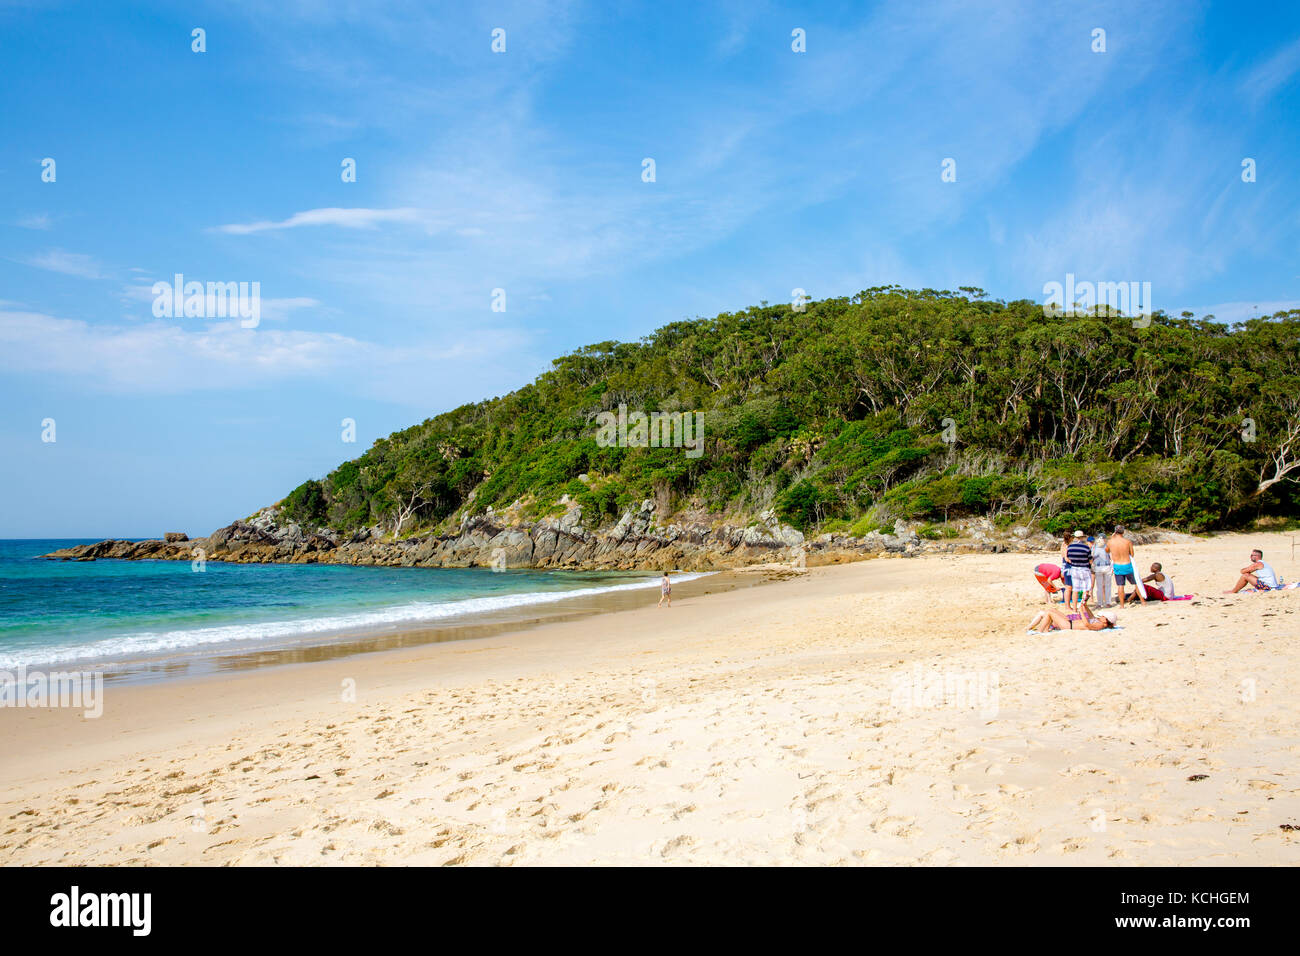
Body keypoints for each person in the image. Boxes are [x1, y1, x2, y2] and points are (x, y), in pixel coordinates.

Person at [1028, 597, 1118, 633]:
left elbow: (1087, 625)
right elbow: (1091, 616)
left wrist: (1081, 612)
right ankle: (1046, 630)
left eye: (1103, 616)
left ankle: (1040, 631)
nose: (1101, 616)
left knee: (1049, 613)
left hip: (1069, 625)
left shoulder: (1100, 625)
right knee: (1051, 610)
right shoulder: (1098, 621)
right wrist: (1085, 605)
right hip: (1069, 622)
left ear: (1106, 620)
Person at [1109, 525, 1145, 606]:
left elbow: (1107, 550)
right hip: (1127, 564)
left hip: (1117, 565)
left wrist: (1112, 538)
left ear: (1115, 532)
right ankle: (1143, 601)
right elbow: (1132, 554)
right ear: (1123, 532)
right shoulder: (1127, 541)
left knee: (1120, 585)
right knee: (1136, 583)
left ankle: (1122, 605)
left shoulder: (1111, 542)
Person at [1064, 530, 1093, 612]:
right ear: (1082, 537)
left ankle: (1075, 608)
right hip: (1084, 569)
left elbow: (1068, 558)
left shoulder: (1070, 547)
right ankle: (1083, 606)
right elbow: (1090, 560)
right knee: (1085, 589)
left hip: (1074, 569)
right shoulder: (1086, 547)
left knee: (1075, 589)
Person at [1091, 533, 1114, 607]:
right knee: (1107, 586)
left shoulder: (1094, 546)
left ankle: (1100, 603)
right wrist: (1112, 567)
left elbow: (1092, 557)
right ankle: (1108, 602)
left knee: (1099, 586)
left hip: (1098, 567)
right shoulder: (1107, 546)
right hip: (1106, 566)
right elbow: (1111, 557)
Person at [1059, 531, 1076, 608]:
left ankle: (1067, 605)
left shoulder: (1063, 544)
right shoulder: (1067, 545)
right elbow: (1066, 558)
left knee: (1068, 587)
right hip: (1068, 566)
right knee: (1069, 587)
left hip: (1064, 566)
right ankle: (1067, 606)